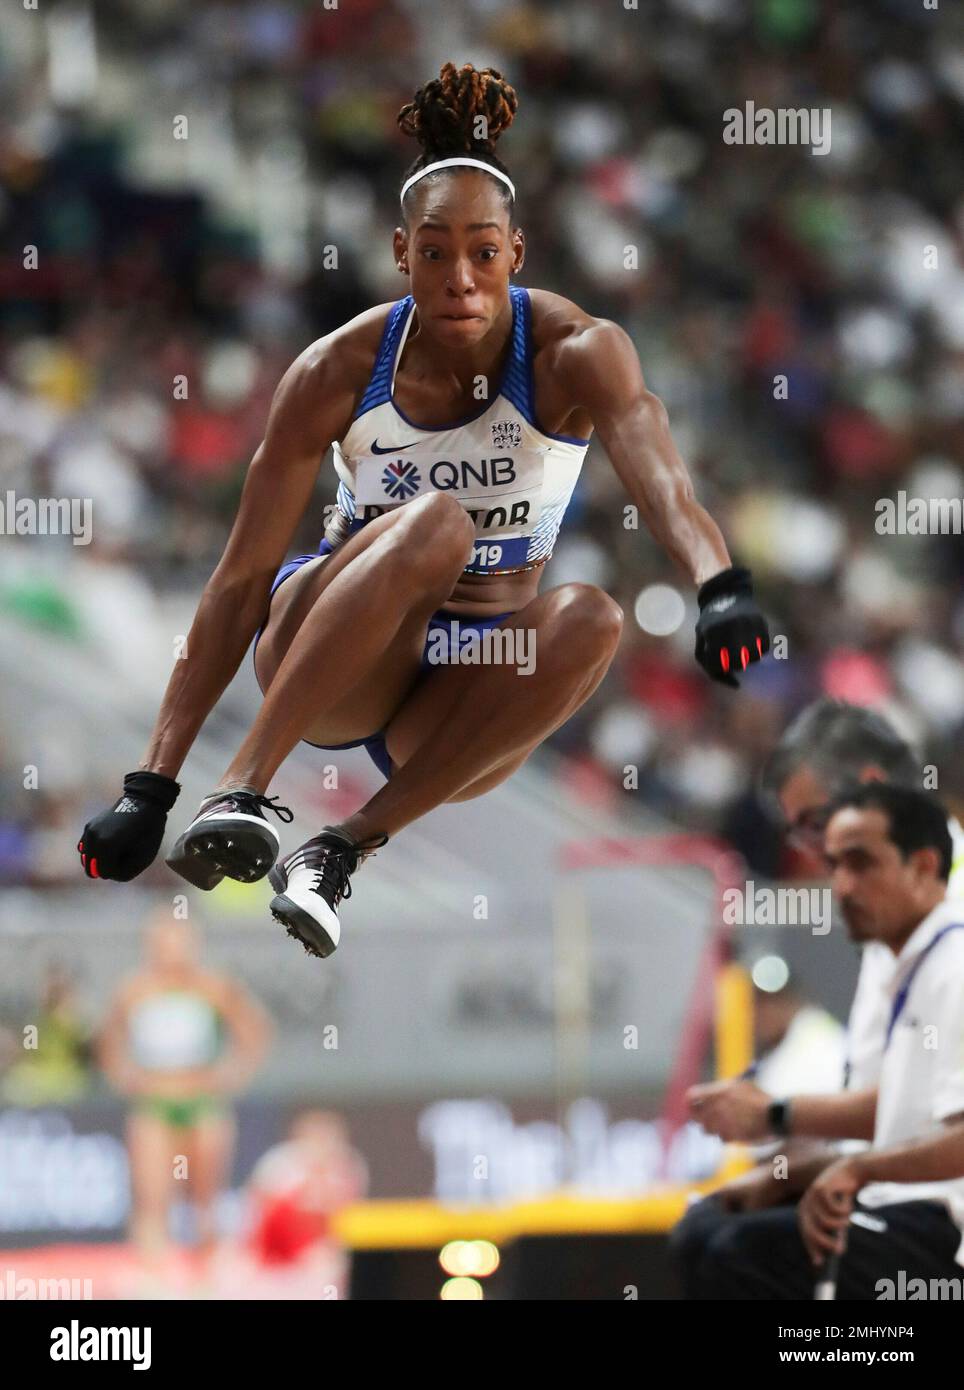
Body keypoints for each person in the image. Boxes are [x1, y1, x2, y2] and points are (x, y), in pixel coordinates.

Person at [76, 62, 769, 960]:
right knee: (439, 523)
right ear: (402, 255)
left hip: (457, 692)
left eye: (484, 252)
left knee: (594, 615)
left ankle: (337, 851)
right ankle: (240, 791)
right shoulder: (335, 370)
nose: (459, 278)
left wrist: (719, 582)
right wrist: (151, 785)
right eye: (435, 252)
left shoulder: (577, 352)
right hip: (331, 652)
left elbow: (661, 475)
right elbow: (241, 577)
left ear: (516, 256)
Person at [674, 785, 964, 1299]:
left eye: (861, 864)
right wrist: (793, 1175)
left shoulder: (954, 966)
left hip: (942, 1235)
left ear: (922, 868)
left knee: (739, 1253)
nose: (842, 886)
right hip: (898, 1200)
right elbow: (903, 1124)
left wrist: (842, 1161)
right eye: (833, 866)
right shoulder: (904, 966)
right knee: (702, 1228)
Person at [98, 912, 272, 1262]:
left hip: (203, 1102)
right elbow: (108, 1039)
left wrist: (234, 1072)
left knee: (207, 1198)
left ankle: (205, 1278)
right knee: (152, 1196)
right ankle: (153, 1275)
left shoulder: (213, 988)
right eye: (163, 944)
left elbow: (255, 1030)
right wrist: (123, 1075)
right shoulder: (136, 990)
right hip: (156, 1104)